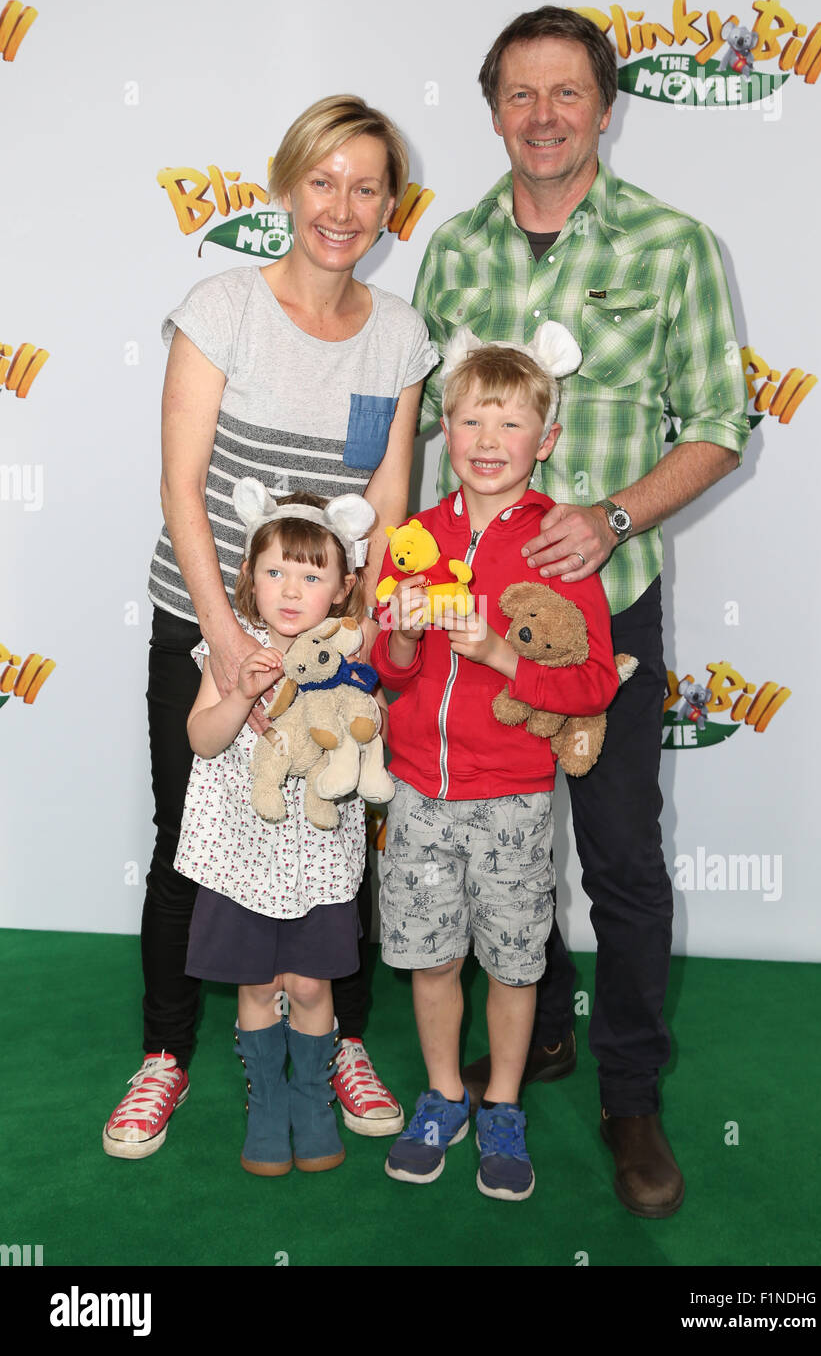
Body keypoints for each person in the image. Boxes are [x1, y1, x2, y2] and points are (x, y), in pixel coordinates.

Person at [411, 7, 751, 1217]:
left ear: (606, 106)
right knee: (487, 844)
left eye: (566, 94)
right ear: (493, 108)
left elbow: (722, 421)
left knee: (617, 861)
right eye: (518, 95)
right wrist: (388, 572)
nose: (542, 116)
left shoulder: (671, 245)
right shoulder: (449, 248)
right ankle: (535, 1029)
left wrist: (609, 516)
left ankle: (630, 1098)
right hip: (462, 630)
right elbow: (412, 428)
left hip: (603, 614)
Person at [103, 95, 438, 1159]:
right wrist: (234, 644)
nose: (342, 206)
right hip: (203, 627)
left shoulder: (399, 336)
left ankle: (335, 1033)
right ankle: (164, 1055)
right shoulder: (222, 307)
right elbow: (182, 484)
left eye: (366, 186)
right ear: (288, 187)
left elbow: (387, 512)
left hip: (329, 648)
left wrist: (333, 653)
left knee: (339, 840)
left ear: (391, 205)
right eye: (323, 180)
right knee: (191, 842)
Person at [372, 327, 620, 1201]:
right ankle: (443, 1096)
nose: (486, 441)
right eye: (471, 419)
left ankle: (503, 1102)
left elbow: (592, 682)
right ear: (445, 427)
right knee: (431, 957)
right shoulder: (415, 537)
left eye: (510, 424)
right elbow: (388, 668)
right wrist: (400, 635)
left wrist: (503, 658)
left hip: (512, 797)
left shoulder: (559, 544)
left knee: (515, 962)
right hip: (418, 794)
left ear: (544, 441)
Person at [180, 480, 373, 1174]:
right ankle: (265, 1102)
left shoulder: (349, 660)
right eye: (275, 572)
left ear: (343, 587)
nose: (292, 591)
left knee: (314, 983)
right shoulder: (231, 652)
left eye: (312, 574)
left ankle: (310, 1100)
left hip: (319, 856)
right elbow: (202, 740)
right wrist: (239, 693)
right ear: (248, 579)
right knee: (259, 984)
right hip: (243, 856)